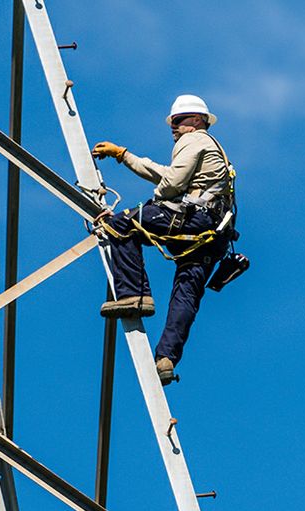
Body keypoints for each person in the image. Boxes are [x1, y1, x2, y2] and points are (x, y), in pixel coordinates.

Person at [91, 95, 233, 386]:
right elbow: (168, 174)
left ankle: (134, 295)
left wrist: (148, 205)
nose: (173, 127)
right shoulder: (210, 149)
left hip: (193, 220)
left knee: (121, 224)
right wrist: (124, 155)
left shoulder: (194, 140)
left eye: (178, 121)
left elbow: (171, 184)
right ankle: (166, 358)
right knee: (186, 293)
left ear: (196, 120)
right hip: (212, 236)